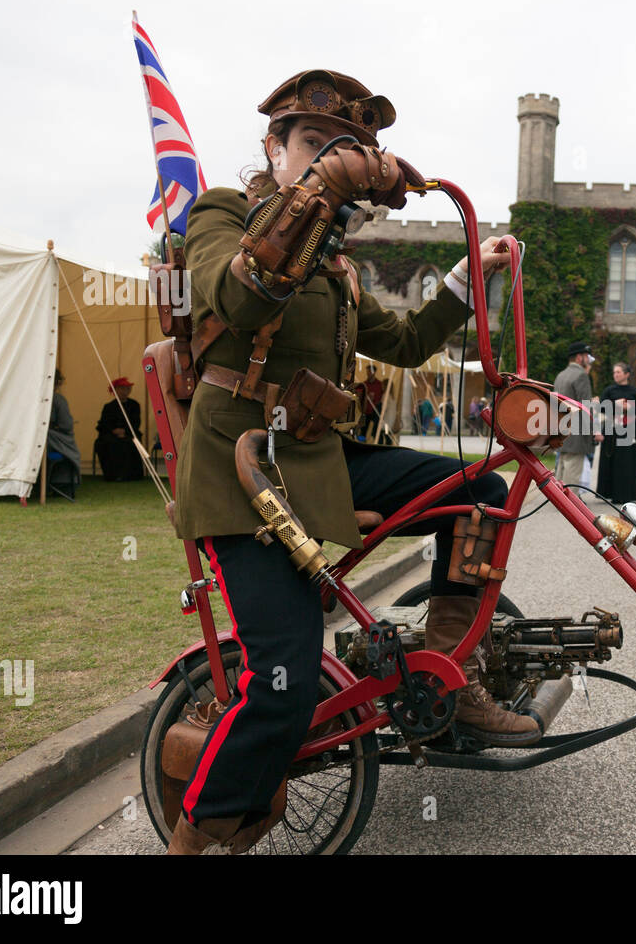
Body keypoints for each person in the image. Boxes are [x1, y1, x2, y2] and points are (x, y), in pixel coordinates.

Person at [166, 69, 536, 853]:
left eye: (354, 147)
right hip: (243, 472)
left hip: (317, 459)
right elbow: (239, 300)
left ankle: (451, 672)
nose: (336, 155)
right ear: (274, 150)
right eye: (314, 142)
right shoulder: (222, 214)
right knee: (283, 687)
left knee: (482, 489)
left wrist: (468, 279)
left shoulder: (335, 263)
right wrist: (320, 195)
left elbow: (400, 345)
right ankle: (191, 839)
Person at [592, 362, 636, 502]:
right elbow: (601, 408)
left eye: (619, 372)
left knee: (626, 463)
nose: (616, 375)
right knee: (610, 460)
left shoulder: (634, 391)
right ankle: (609, 492)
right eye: (614, 372)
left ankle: (627, 494)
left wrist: (628, 408)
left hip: (629, 429)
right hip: (611, 428)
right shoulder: (609, 390)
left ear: (627, 374)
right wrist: (615, 405)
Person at [552, 341, 596, 493]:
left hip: (561, 429)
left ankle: (558, 498)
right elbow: (586, 407)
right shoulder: (581, 375)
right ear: (579, 357)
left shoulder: (561, 375)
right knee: (572, 470)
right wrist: (592, 433)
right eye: (586, 356)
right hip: (576, 432)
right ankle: (568, 502)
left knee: (562, 466)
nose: (588, 359)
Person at [93, 377, 144, 481]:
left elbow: (136, 422)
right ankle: (112, 475)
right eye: (122, 388)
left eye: (127, 389)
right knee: (106, 443)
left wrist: (125, 431)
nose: (125, 391)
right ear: (115, 390)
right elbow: (103, 423)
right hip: (111, 435)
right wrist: (114, 431)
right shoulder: (109, 407)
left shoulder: (134, 405)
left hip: (129, 434)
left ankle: (130, 475)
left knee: (131, 443)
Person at [44, 369, 81, 497]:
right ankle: (60, 483)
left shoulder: (34, 398)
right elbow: (66, 425)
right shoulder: (58, 400)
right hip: (52, 439)